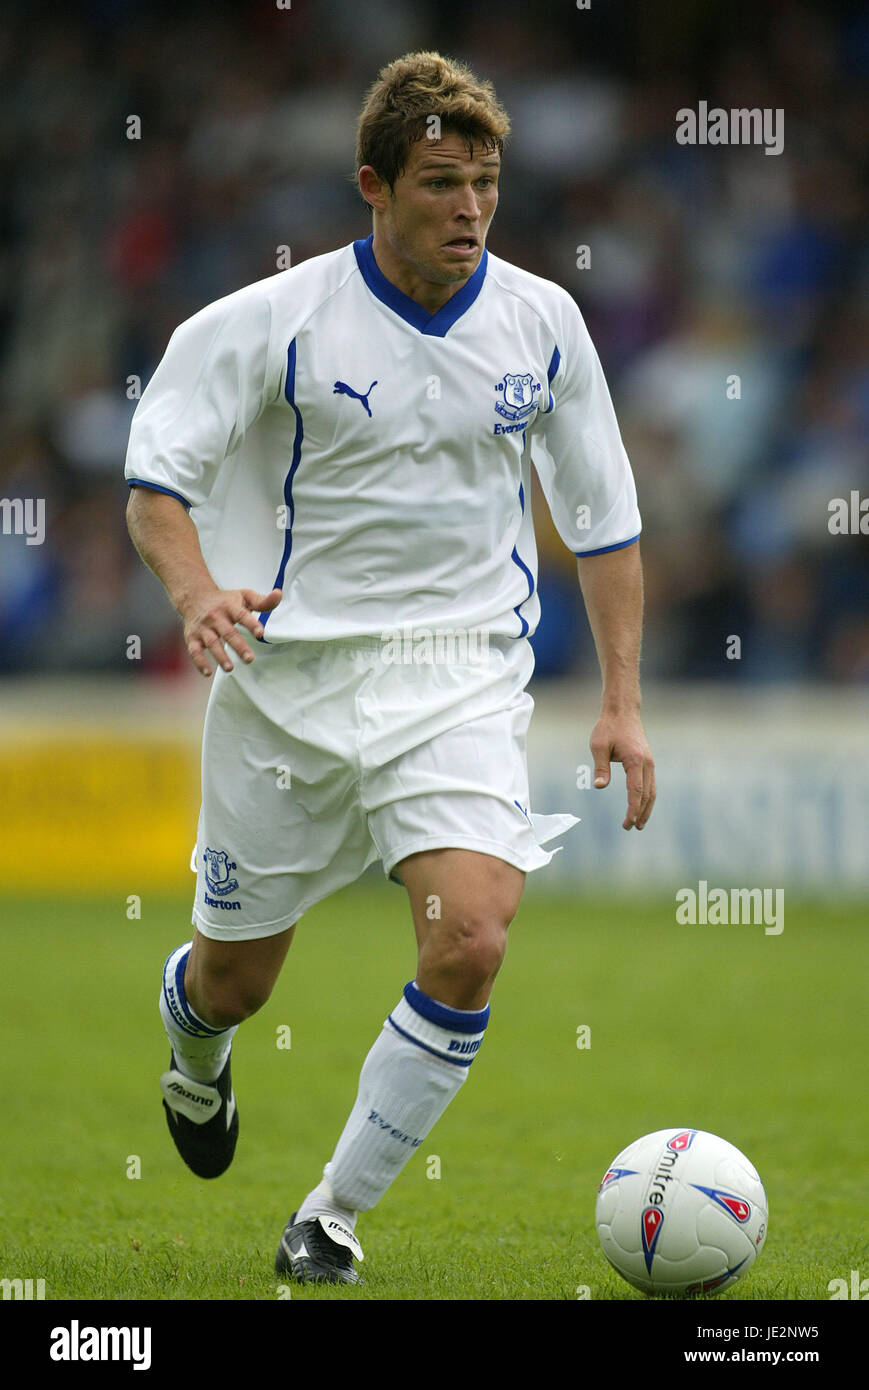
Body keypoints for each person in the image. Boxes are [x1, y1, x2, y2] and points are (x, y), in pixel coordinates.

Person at [124, 49, 655, 1286]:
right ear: (373, 185)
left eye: (485, 184)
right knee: (235, 981)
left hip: (459, 680)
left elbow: (603, 521)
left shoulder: (542, 322)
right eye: (439, 184)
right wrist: (197, 596)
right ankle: (194, 1045)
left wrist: (622, 702)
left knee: (469, 936)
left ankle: (329, 1217)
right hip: (285, 689)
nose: (469, 210)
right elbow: (157, 484)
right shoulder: (267, 322)